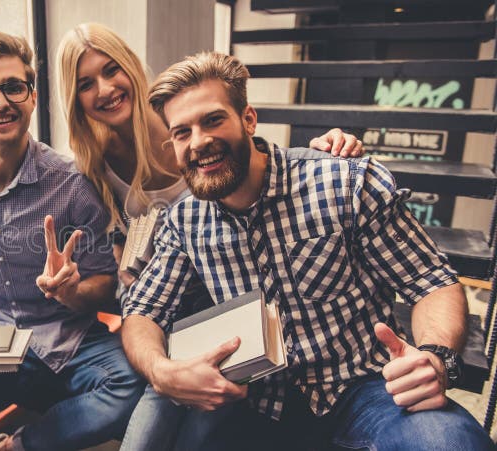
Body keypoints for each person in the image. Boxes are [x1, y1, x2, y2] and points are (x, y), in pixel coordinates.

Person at [119, 51, 493, 450]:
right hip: (257, 402)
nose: (199, 142)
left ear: (248, 119)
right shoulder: (185, 221)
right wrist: (161, 371)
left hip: (364, 388)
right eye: (182, 132)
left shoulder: (342, 181)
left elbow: (430, 281)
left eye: (213, 120)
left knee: (451, 443)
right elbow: (143, 310)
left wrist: (436, 357)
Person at [0, 31, 144, 451]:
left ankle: (17, 447)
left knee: (130, 385)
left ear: (32, 96)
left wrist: (72, 291)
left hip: (70, 340)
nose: (0, 103)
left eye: (13, 87)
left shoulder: (74, 184)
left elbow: (104, 284)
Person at [55, 23, 364, 289]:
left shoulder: (181, 113)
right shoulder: (94, 162)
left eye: (111, 70)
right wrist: (127, 270)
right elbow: (120, 243)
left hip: (232, 268)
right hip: (171, 284)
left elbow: (249, 157)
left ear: (130, 65)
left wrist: (315, 155)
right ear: (75, 98)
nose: (105, 89)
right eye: (86, 84)